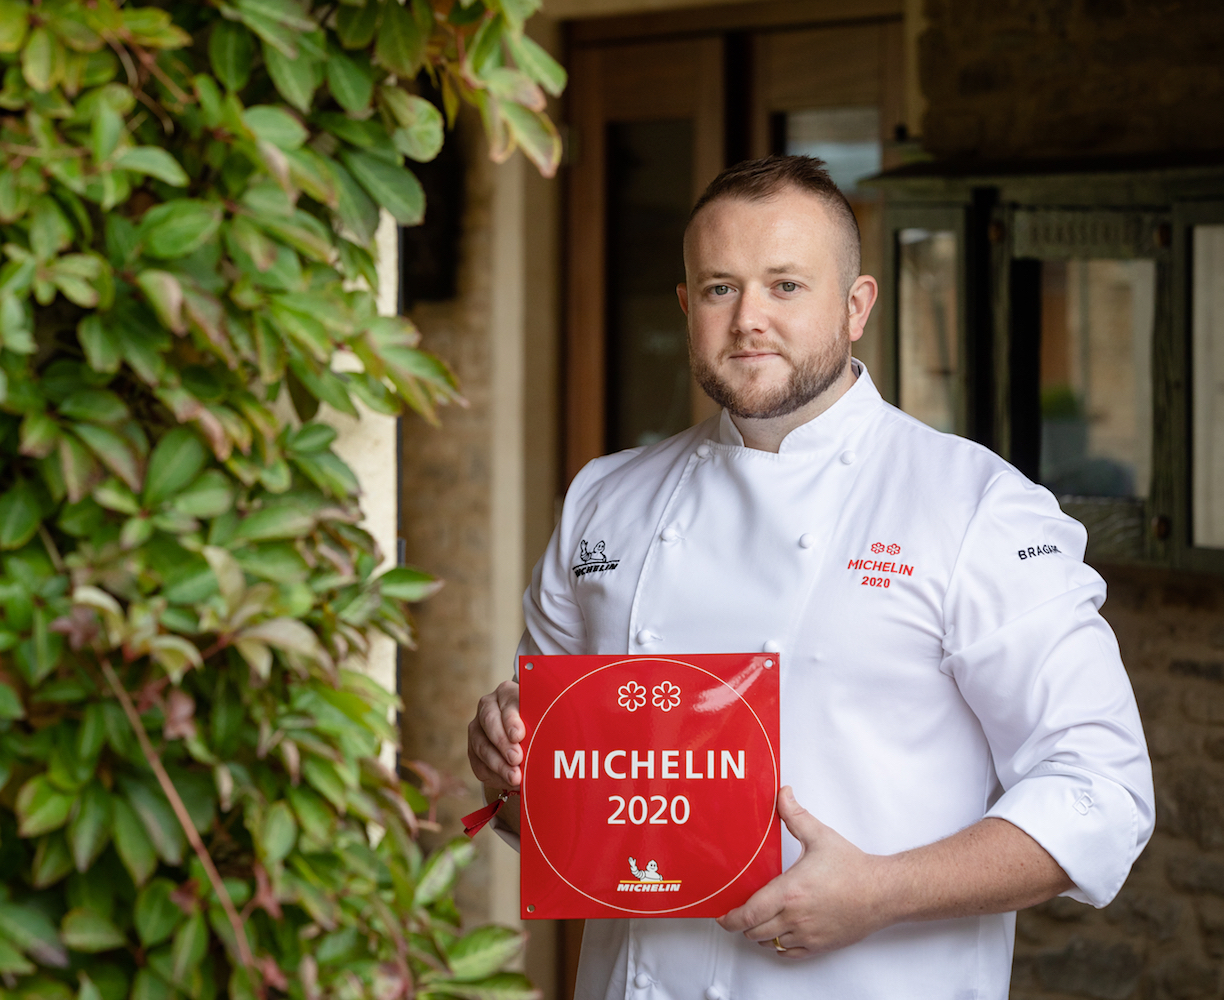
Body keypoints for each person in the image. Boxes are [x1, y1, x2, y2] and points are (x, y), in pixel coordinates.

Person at [467, 155, 1154, 1000]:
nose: (750, 318)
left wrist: (882, 893)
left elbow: (1100, 791)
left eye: (785, 285)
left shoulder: (975, 505)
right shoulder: (606, 500)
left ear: (856, 305)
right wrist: (510, 764)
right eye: (720, 288)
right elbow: (552, 814)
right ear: (687, 308)